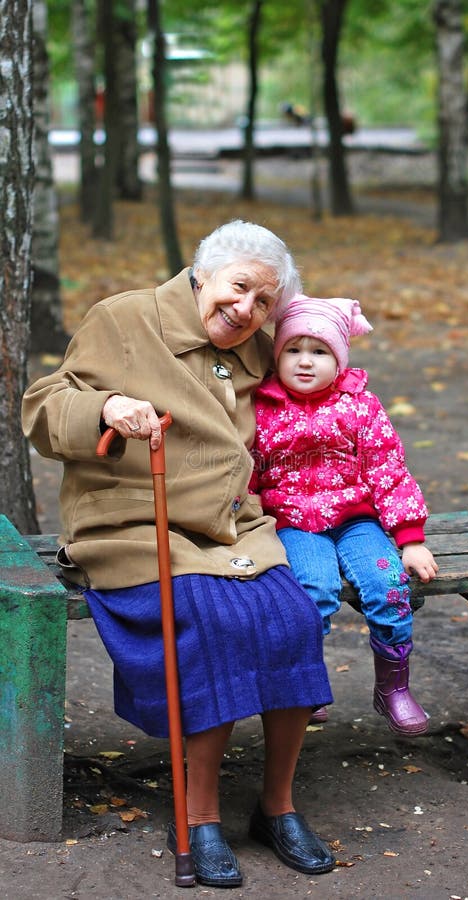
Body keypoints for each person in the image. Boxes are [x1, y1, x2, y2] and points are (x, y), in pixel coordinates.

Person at [22, 222, 336, 888]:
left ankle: (276, 807)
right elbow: (42, 407)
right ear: (203, 275)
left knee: (294, 621)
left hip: (230, 526)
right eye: (238, 288)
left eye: (263, 302)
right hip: (135, 521)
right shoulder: (124, 319)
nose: (245, 310)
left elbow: (317, 384)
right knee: (213, 622)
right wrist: (107, 407)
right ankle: (199, 819)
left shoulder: (255, 346)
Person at [250, 294, 439, 735]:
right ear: (276, 356)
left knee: (388, 584)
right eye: (293, 350)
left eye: (320, 352)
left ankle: (392, 687)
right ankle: (307, 686)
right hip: (295, 524)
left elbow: (387, 468)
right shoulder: (261, 408)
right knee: (312, 591)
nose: (304, 361)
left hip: (357, 522)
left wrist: (410, 539)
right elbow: (247, 473)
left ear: (340, 359)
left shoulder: (360, 405)